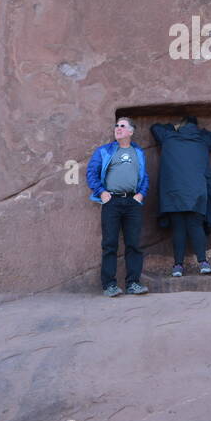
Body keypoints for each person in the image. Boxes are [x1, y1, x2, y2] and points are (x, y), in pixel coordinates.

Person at [85, 117, 150, 297]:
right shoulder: (105, 151)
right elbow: (91, 172)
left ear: (131, 131)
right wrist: (101, 192)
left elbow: (144, 176)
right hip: (111, 202)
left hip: (133, 203)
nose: (118, 128)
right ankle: (109, 285)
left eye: (123, 126)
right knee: (110, 244)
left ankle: (133, 283)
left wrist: (141, 195)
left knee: (134, 244)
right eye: (116, 126)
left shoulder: (138, 152)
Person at [150, 115, 211, 277]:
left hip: (174, 191)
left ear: (180, 125)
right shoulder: (202, 140)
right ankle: (203, 262)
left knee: (179, 228)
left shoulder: (168, 136)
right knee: (196, 226)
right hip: (197, 191)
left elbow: (154, 127)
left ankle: (178, 266)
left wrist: (172, 127)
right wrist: (199, 130)